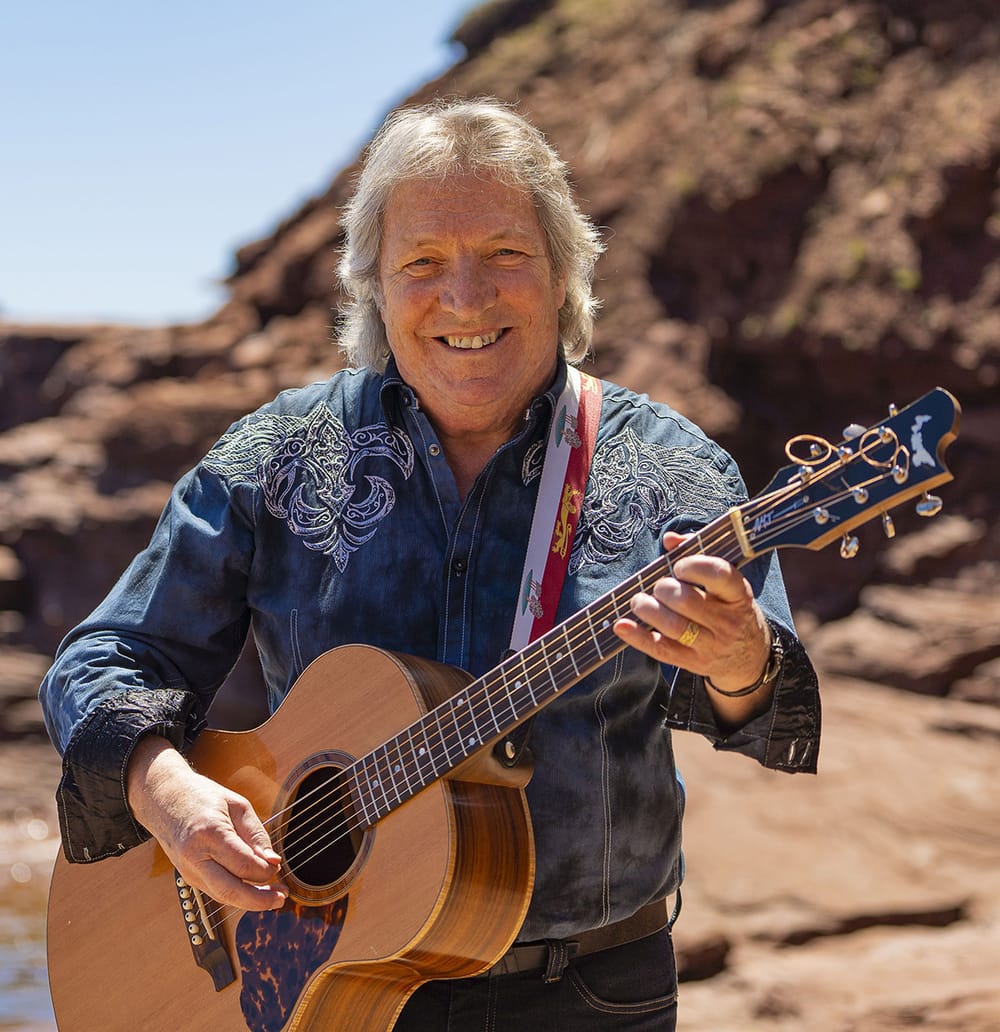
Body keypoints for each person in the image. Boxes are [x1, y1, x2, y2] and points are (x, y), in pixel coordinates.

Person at [40, 98, 820, 1030]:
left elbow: (764, 711)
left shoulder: (669, 467)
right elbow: (103, 663)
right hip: (325, 985)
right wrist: (171, 798)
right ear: (374, 284)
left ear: (563, 269)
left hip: (589, 995)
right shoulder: (278, 457)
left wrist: (739, 662)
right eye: (421, 263)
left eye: (504, 254)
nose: (465, 298)